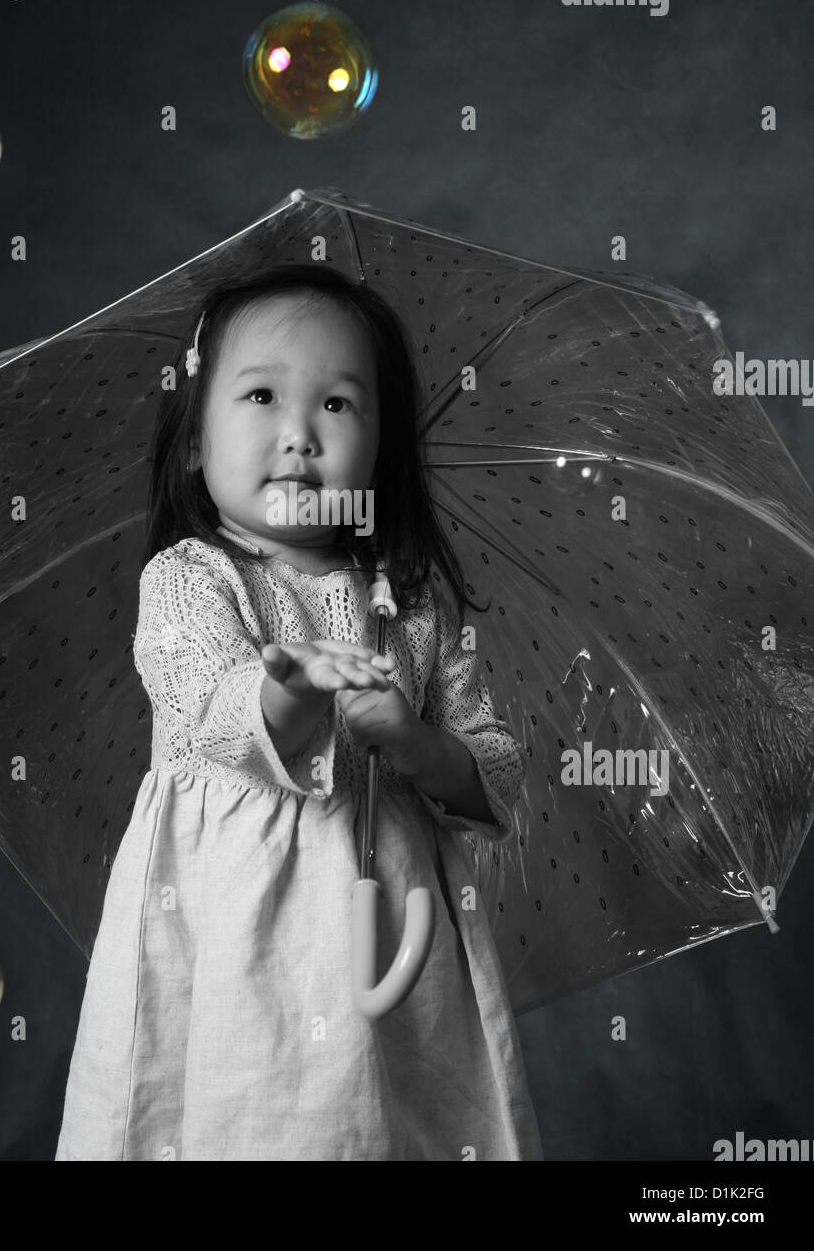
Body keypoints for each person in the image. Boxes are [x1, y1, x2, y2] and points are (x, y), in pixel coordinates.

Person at [54, 262, 543, 1161]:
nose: (298, 436)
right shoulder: (194, 580)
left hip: (390, 923)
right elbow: (209, 714)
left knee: (388, 1119)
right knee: (248, 1110)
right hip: (234, 918)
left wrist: (413, 740)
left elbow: (489, 773)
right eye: (262, 396)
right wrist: (293, 685)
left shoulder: (413, 605)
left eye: (337, 405)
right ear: (197, 441)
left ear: (381, 449)